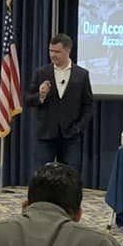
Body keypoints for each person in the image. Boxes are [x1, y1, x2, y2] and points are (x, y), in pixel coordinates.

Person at [28, 33, 94, 170]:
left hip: (71, 137)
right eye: (50, 51)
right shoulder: (41, 72)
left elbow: (88, 106)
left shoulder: (81, 75)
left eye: (57, 52)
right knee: (41, 176)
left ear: (68, 51)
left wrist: (79, 128)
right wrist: (40, 96)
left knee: (71, 177)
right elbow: (28, 99)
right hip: (46, 135)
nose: (52, 55)